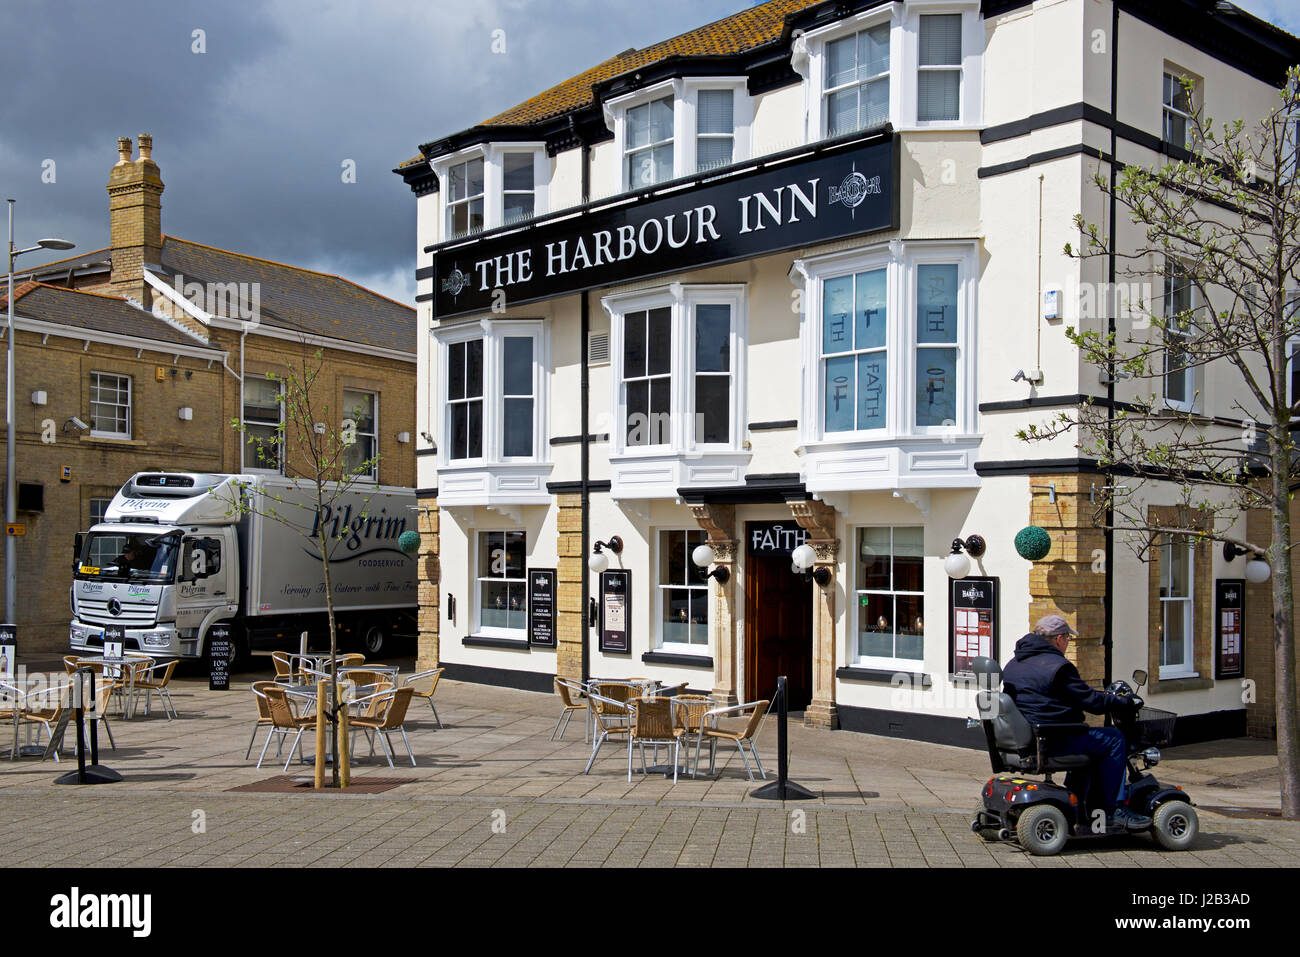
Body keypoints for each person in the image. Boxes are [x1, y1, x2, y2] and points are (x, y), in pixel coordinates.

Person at [1001, 614, 1150, 830]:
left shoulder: (1014, 663)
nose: (1068, 643)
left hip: (1029, 737)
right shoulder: (1058, 667)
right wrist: (1122, 702)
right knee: (1114, 739)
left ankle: (1080, 799)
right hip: (1053, 738)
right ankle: (1110, 810)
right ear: (1059, 638)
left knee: (1090, 738)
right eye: (1069, 639)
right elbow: (1091, 701)